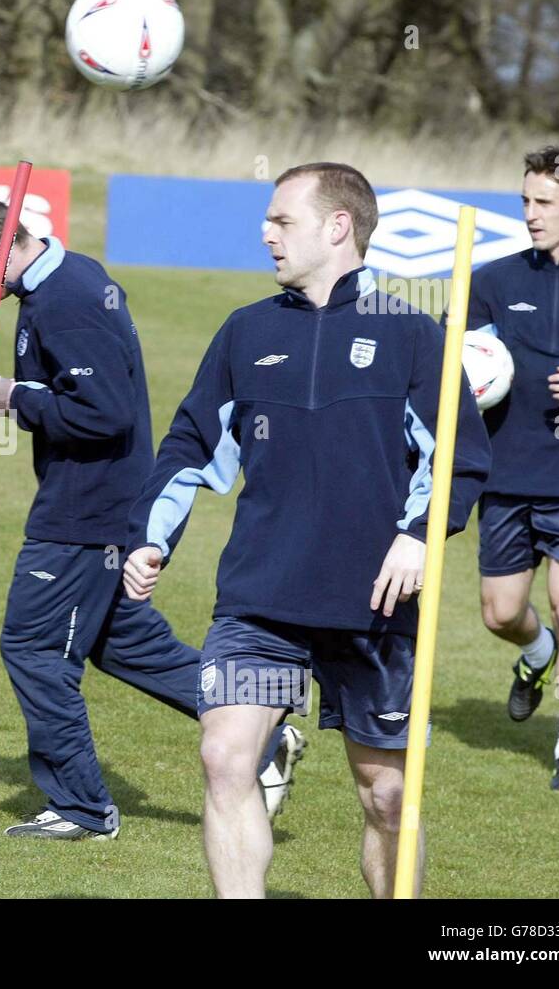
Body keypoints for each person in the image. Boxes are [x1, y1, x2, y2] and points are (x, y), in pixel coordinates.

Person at [123, 163, 491, 897]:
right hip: (263, 602)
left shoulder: (413, 334)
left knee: (387, 797)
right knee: (226, 757)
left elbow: (459, 455)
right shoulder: (245, 331)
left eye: (281, 220)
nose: (266, 234)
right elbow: (192, 445)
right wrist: (151, 535)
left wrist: (419, 532)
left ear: (338, 226)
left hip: (375, 607)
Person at [0, 197, 306, 841]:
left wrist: (14, 396)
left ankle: (81, 808)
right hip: (96, 499)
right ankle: (262, 720)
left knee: (33, 647)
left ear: (3, 250)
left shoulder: (67, 301)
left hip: (87, 511)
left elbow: (104, 414)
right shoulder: (61, 283)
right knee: (126, 646)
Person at [466, 143, 559, 791]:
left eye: (543, 203)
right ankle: (536, 651)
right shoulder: (492, 281)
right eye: (525, 200)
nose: (529, 213)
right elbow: (457, 361)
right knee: (501, 612)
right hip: (506, 470)